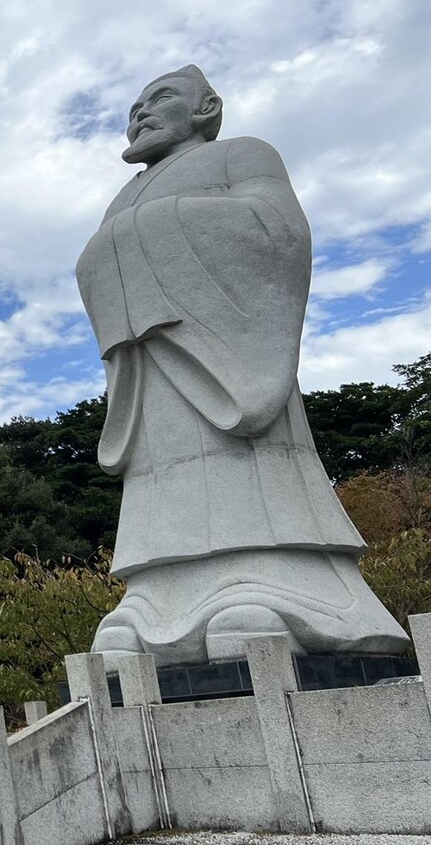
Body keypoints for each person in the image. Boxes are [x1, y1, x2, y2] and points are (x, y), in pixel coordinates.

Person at [76, 65, 408, 666]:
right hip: (150, 357)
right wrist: (121, 243)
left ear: (206, 107)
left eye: (160, 98)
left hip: (224, 353)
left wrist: (144, 231)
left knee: (243, 464)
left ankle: (277, 584)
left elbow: (278, 231)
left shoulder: (242, 154)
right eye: (133, 109)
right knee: (163, 460)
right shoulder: (124, 196)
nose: (140, 114)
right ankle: (154, 597)